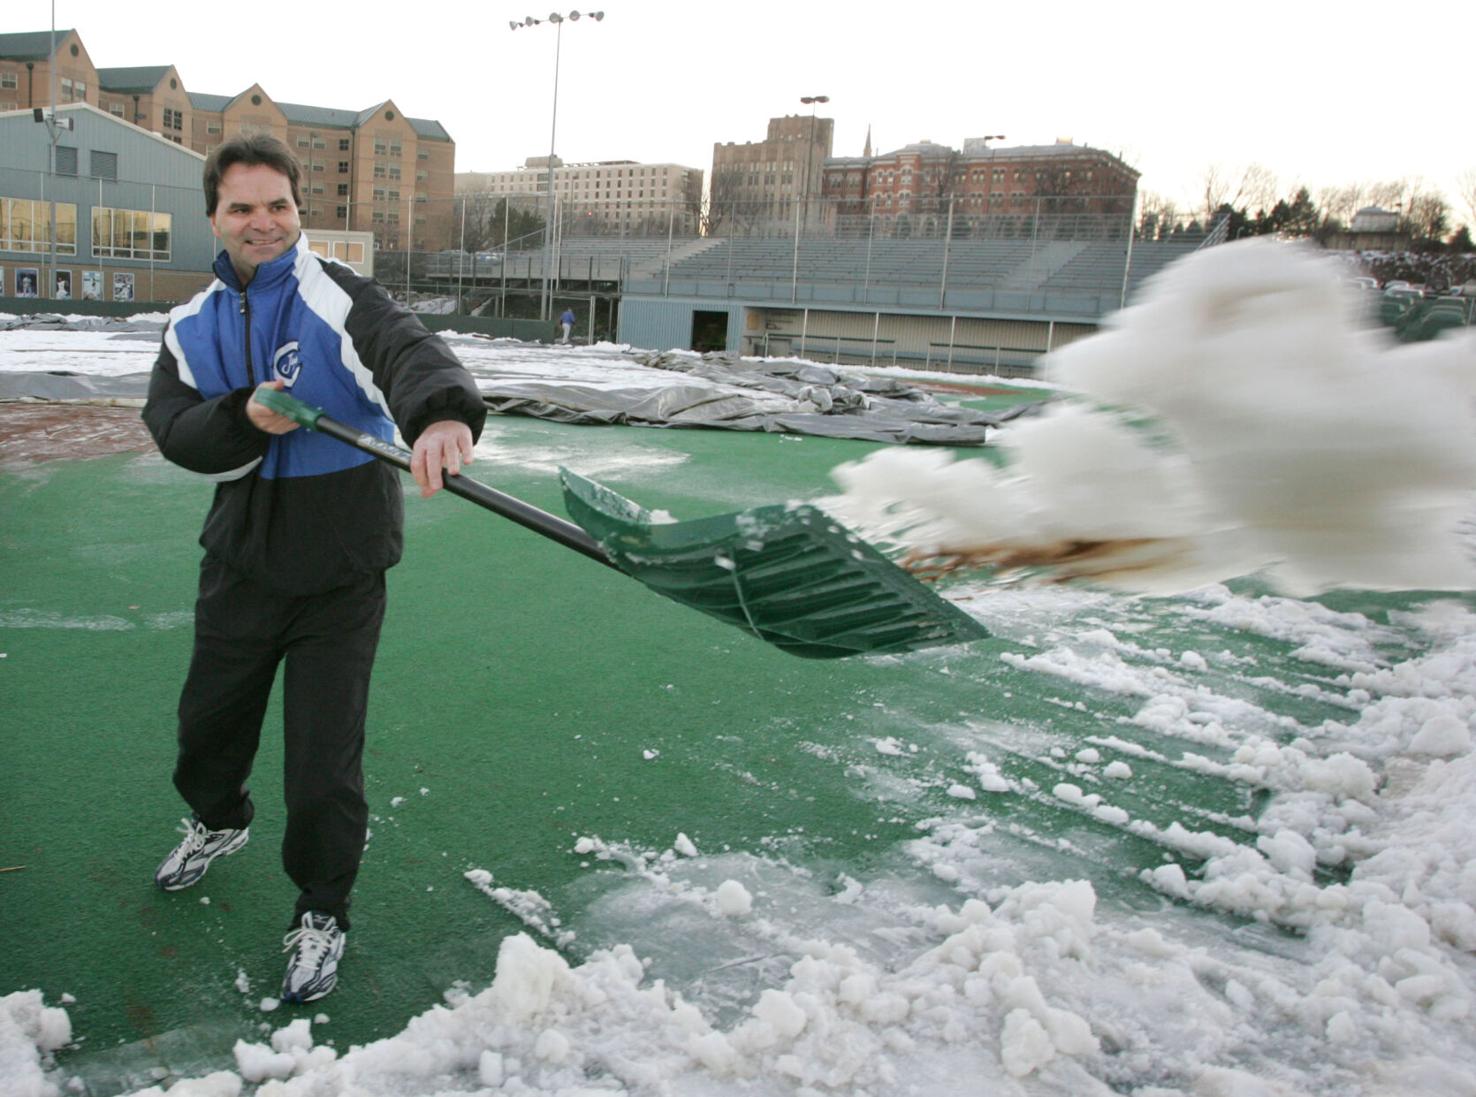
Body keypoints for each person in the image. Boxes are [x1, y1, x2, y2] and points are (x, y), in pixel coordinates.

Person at [142, 134, 486, 1004]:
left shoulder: (337, 293)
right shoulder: (190, 324)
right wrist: (241, 416)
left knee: (322, 765)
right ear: (214, 217)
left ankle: (322, 909)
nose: (263, 223)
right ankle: (219, 819)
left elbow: (406, 347)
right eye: (243, 208)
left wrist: (441, 416)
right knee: (205, 731)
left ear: (300, 209)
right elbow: (172, 426)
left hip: (341, 566)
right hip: (242, 561)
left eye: (279, 206)